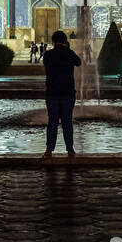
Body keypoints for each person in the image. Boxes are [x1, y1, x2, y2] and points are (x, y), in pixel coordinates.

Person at [41, 29, 81, 157]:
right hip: (67, 92)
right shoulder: (68, 53)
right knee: (67, 122)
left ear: (53, 41)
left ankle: (49, 150)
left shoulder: (48, 55)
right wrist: (67, 49)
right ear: (65, 41)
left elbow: (45, 63)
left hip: (52, 92)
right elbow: (78, 62)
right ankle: (70, 149)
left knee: (52, 122)